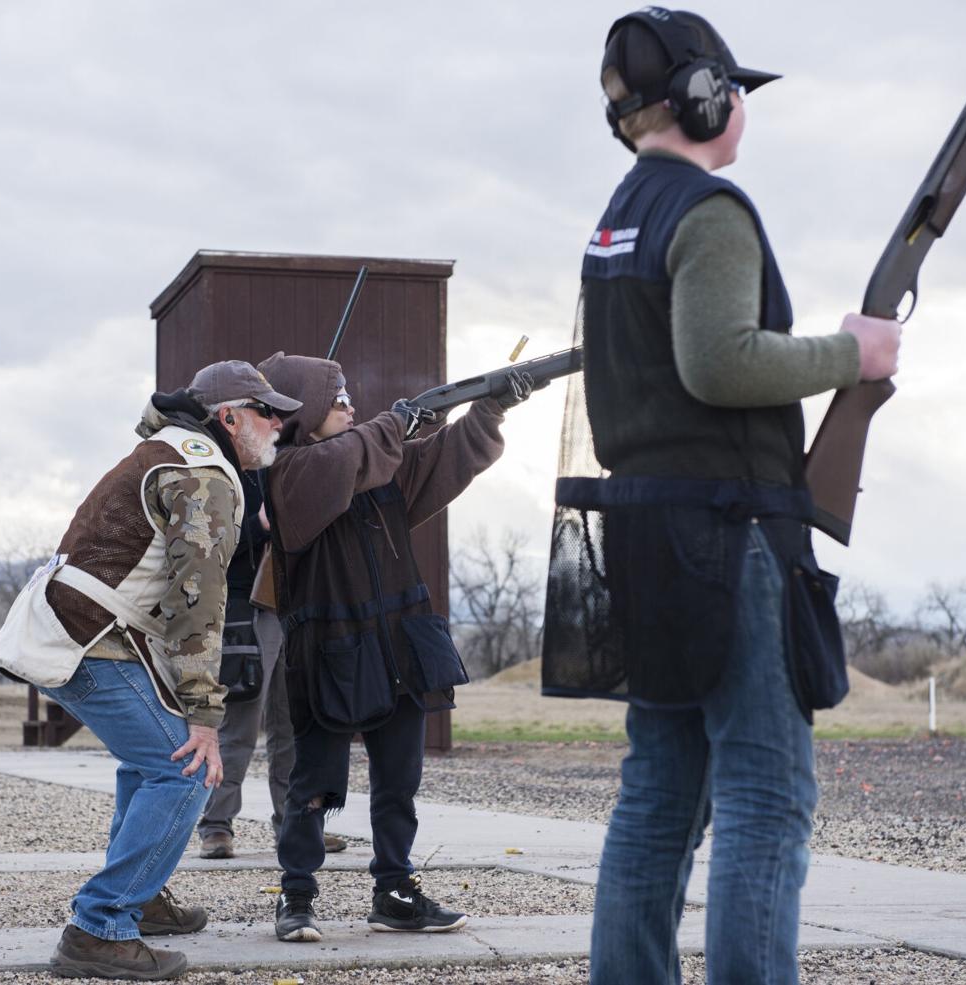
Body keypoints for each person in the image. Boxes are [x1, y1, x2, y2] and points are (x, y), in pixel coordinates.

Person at [574, 9, 902, 984]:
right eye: (735, 91)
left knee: (663, 785)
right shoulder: (710, 211)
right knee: (767, 788)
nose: (742, 110)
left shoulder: (615, 217)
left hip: (642, 531)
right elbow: (718, 364)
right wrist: (856, 353)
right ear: (704, 96)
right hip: (724, 533)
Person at [0, 360, 300, 981]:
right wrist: (206, 717)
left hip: (83, 632)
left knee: (148, 762)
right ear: (228, 416)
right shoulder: (203, 476)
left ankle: (142, 898)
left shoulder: (171, 453)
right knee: (184, 769)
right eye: (267, 411)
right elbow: (200, 602)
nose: (280, 423)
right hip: (92, 640)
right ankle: (100, 926)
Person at [254, 352, 531, 943]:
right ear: (301, 411)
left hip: (398, 646)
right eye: (335, 398)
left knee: (399, 782)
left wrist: (489, 407)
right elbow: (339, 465)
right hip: (330, 652)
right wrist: (395, 422)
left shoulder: (374, 456)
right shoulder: (291, 475)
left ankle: (396, 893)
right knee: (314, 783)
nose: (350, 406)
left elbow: (443, 456)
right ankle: (296, 896)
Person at [193, 467, 349, 859]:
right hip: (250, 607)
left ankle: (294, 823)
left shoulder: (290, 464)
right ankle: (216, 825)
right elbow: (209, 541)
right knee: (240, 726)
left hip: (296, 607)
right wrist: (259, 524)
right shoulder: (231, 470)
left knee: (294, 726)